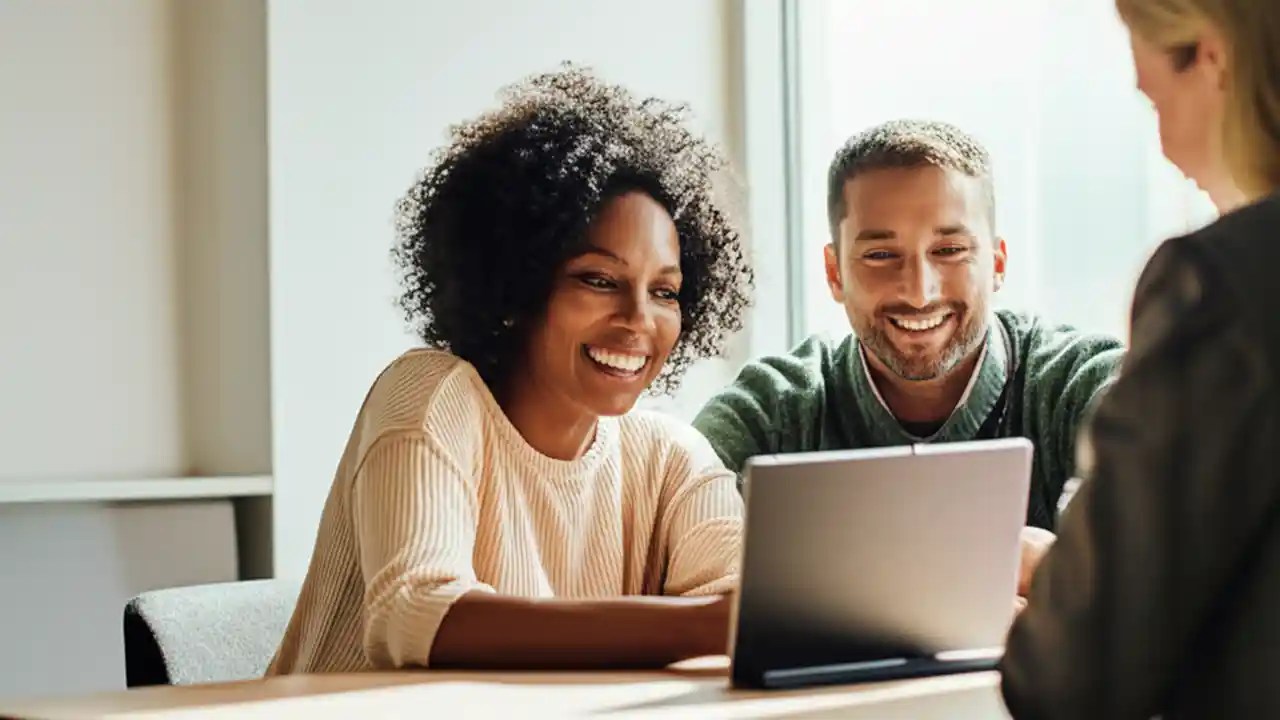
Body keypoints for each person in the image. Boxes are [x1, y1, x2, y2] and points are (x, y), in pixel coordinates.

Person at [266, 66, 755, 675]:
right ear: (516, 286)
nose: (638, 318)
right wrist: (703, 625)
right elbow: (416, 615)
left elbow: (751, 614)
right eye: (598, 280)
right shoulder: (432, 396)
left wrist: (735, 621)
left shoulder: (672, 458)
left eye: (664, 292)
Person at [692, 119, 1124, 592]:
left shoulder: (1088, 388)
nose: (919, 292)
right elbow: (673, 580)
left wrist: (1055, 569)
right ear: (834, 273)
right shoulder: (767, 414)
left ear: (997, 263)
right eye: (881, 255)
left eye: (950, 250)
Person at [1001, 0, 1280, 717]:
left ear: (1214, 58)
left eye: (1156, 100)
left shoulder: (1222, 285)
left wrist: (1064, 575)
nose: (1165, 148)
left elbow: (1073, 675)